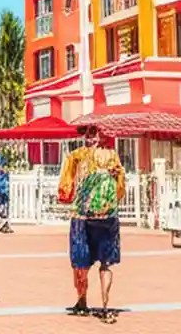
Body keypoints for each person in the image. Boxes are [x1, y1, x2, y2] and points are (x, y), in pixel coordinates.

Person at [57, 125, 126, 322]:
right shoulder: (113, 158)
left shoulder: (76, 155)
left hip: (82, 217)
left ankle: (83, 300)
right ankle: (103, 306)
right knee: (105, 263)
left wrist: (65, 194)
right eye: (89, 133)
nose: (90, 137)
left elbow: (66, 185)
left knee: (81, 263)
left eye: (92, 133)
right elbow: (120, 190)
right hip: (107, 216)